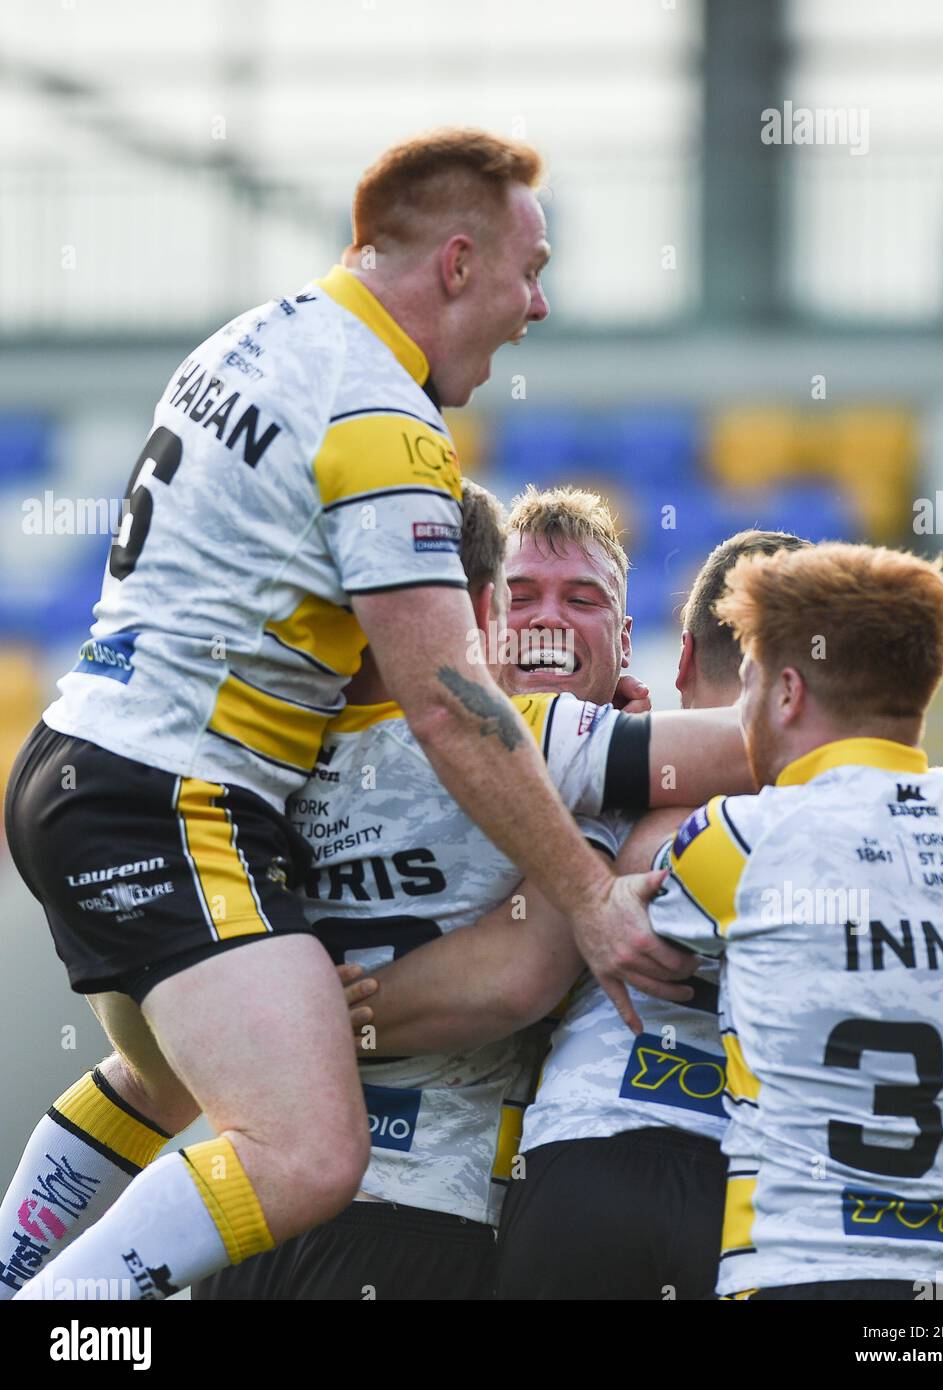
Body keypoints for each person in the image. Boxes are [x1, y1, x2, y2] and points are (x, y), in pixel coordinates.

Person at [0, 130, 683, 1301]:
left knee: (155, 1081)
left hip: (77, 765)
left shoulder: (257, 337)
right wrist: (583, 895)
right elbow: (450, 702)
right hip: (172, 796)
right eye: (531, 269)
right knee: (310, 1152)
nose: (539, 304)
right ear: (458, 263)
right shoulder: (381, 417)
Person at [196, 486, 754, 1300]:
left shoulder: (612, 778)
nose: (548, 617)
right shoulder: (543, 753)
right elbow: (517, 975)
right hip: (386, 1219)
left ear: (626, 642)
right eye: (521, 595)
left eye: (583, 598)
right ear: (480, 618)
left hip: (319, 1209)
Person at [621, 542, 943, 1300]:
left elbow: (624, 912)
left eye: (746, 682)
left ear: (786, 692)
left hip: (801, 1272)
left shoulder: (743, 838)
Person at [495, 528, 809, 1301]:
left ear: (681, 663)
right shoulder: (869, 819)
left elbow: (637, 883)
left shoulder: (583, 769)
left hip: (579, 1158)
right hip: (755, 1198)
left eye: (580, 598)